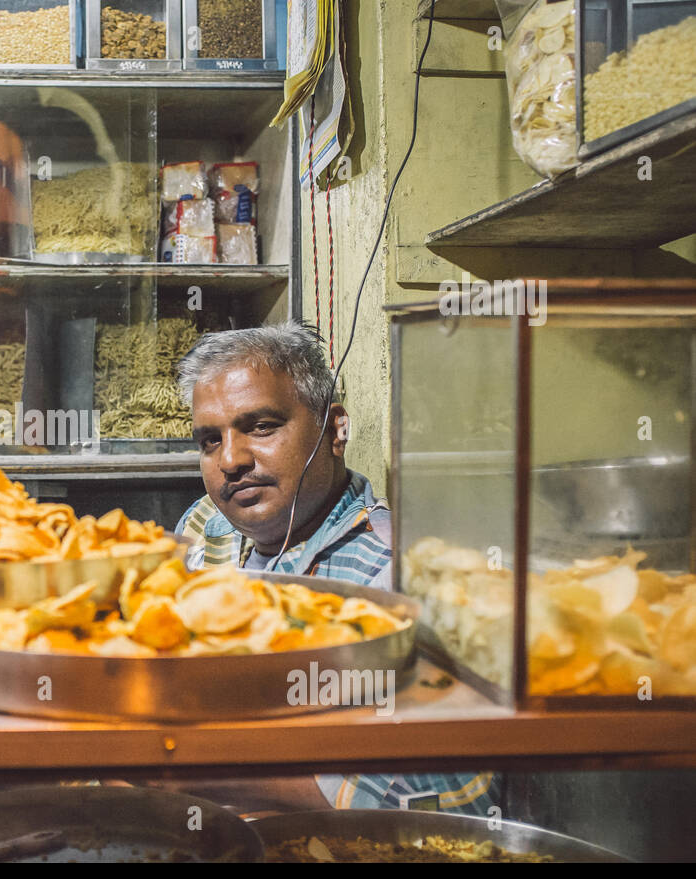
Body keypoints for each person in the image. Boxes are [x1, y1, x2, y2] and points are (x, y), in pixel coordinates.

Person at [174, 325, 497, 816]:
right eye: (209, 440)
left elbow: (454, 792)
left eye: (261, 426)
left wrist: (182, 776)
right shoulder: (204, 531)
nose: (232, 460)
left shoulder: (396, 576)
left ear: (335, 429)